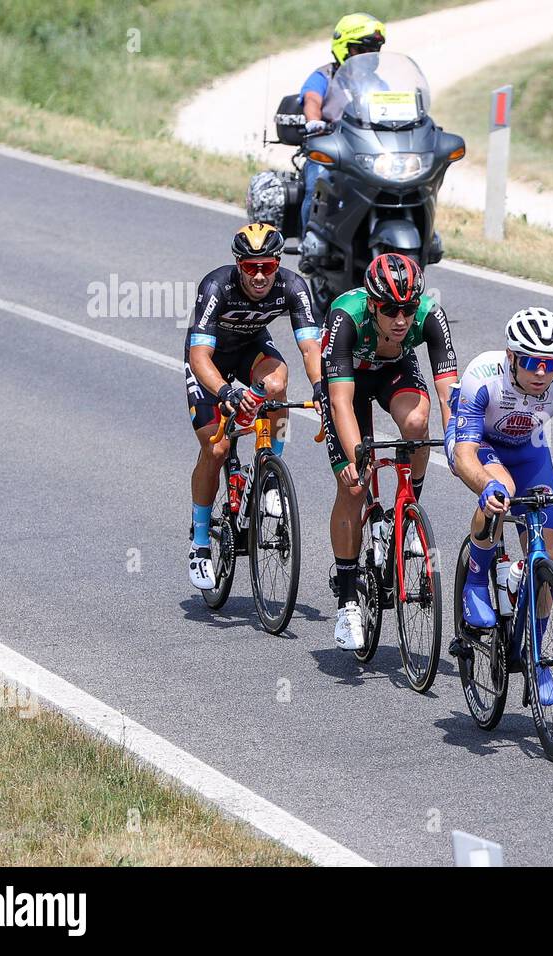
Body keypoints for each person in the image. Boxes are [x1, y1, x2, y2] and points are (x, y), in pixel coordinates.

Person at [445, 308, 553, 705]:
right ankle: (475, 582)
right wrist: (486, 486)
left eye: (551, 364)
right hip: (477, 445)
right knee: (501, 489)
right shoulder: (483, 377)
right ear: (511, 357)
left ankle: (535, 659)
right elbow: (466, 454)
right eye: (533, 363)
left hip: (529, 453)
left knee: (544, 558)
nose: (542, 373)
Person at [320, 253, 457, 651]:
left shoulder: (430, 315)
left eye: (408, 309)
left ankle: (406, 511)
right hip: (348, 383)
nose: (401, 320)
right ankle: (347, 599)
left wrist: (456, 443)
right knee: (354, 487)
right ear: (372, 303)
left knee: (417, 424)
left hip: (392, 371)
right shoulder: (346, 315)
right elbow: (341, 402)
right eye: (390, 310)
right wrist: (354, 456)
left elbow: (449, 392)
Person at [185, 223, 323, 589]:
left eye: (267, 266)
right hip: (211, 363)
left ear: (278, 262)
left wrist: (322, 387)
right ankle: (200, 541)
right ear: (238, 264)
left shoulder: (292, 286)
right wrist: (227, 392)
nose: (260, 275)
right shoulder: (216, 286)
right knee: (216, 447)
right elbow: (199, 355)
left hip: (250, 350)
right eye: (250, 267)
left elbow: (311, 348)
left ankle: (269, 470)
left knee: (277, 385)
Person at [298, 12, 387, 231]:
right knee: (317, 183)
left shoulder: (378, 84)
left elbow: (390, 109)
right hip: (331, 149)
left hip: (367, 151)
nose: (369, 55)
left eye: (374, 50)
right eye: (362, 49)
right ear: (345, 48)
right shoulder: (324, 76)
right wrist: (314, 122)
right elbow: (311, 100)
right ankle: (310, 240)